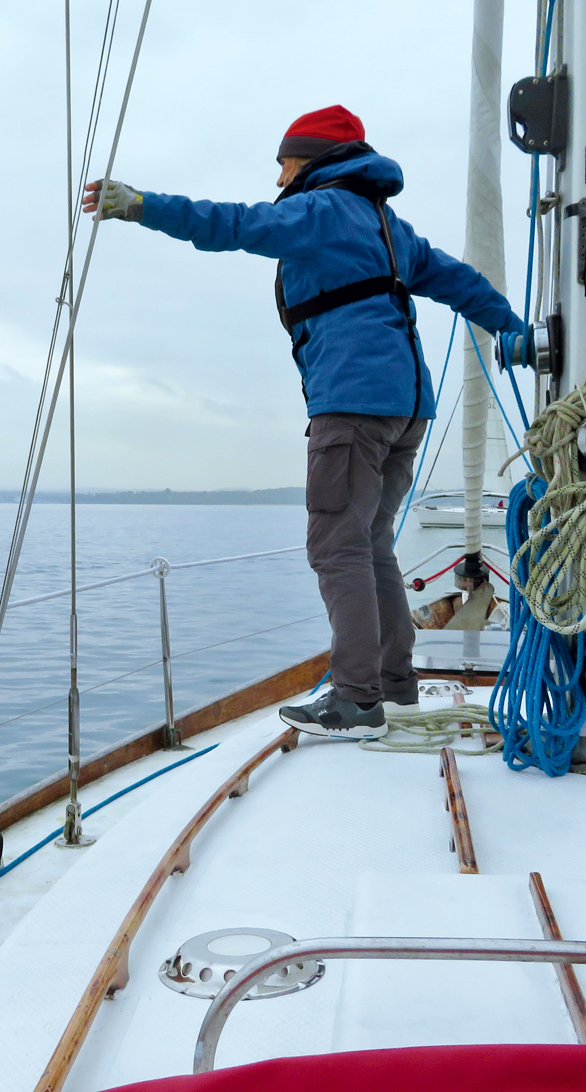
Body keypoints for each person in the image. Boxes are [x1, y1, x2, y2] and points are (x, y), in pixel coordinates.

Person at [82, 105, 527, 741]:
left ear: (310, 160)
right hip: (407, 409)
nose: (279, 174)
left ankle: (355, 701)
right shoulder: (388, 225)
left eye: (284, 161)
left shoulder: (317, 210)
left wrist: (142, 204)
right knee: (370, 544)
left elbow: (230, 224)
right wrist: (512, 329)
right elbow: (461, 281)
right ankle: (395, 689)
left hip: (352, 404)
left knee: (335, 546)